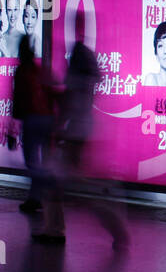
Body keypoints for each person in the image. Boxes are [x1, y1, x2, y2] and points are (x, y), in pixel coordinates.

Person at [34, 15, 128, 247]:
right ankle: (56, 228)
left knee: (73, 186)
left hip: (76, 133)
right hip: (82, 131)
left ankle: (112, 228)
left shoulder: (78, 57)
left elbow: (69, 100)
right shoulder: (87, 63)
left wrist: (58, 127)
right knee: (64, 183)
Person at [13, 35, 54, 214]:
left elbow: (18, 99)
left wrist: (12, 127)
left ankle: (39, 195)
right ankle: (37, 196)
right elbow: (50, 93)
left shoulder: (22, 71)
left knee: (32, 162)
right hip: (46, 119)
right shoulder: (39, 70)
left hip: (31, 119)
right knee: (39, 161)